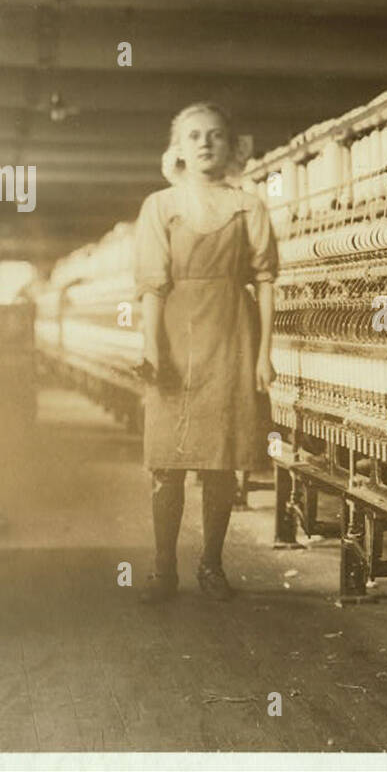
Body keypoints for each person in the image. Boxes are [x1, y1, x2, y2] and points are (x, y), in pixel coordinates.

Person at [132, 101, 277, 602]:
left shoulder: (249, 206)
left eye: (215, 134)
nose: (204, 143)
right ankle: (162, 567)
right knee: (166, 458)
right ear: (178, 147)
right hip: (174, 332)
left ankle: (212, 566)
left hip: (232, 333)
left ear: (231, 145)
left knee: (221, 457)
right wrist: (152, 350)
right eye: (193, 135)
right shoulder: (160, 207)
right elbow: (152, 286)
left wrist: (264, 354)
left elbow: (265, 280)